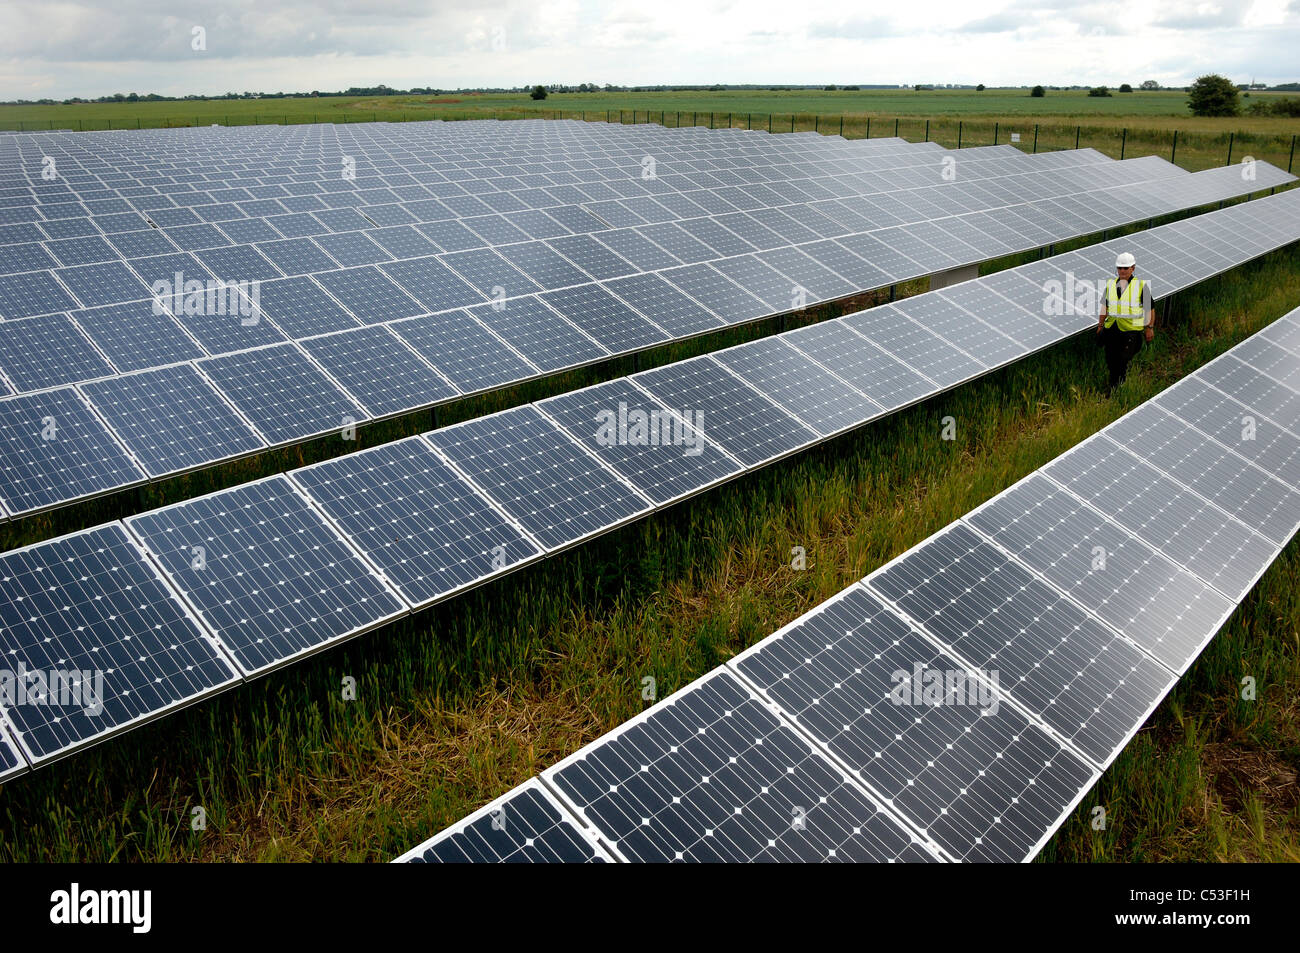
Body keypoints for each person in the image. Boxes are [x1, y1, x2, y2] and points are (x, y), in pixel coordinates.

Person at [1096, 251, 1154, 395]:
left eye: (1125, 268)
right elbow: (1105, 307)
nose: (1122, 271)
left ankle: (1116, 388)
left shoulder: (1141, 286)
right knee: (1110, 359)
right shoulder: (1110, 285)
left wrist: (1149, 328)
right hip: (1112, 328)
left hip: (1131, 331)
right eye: (1119, 268)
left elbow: (1150, 309)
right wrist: (1100, 325)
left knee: (1122, 360)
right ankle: (1114, 384)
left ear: (1133, 268)